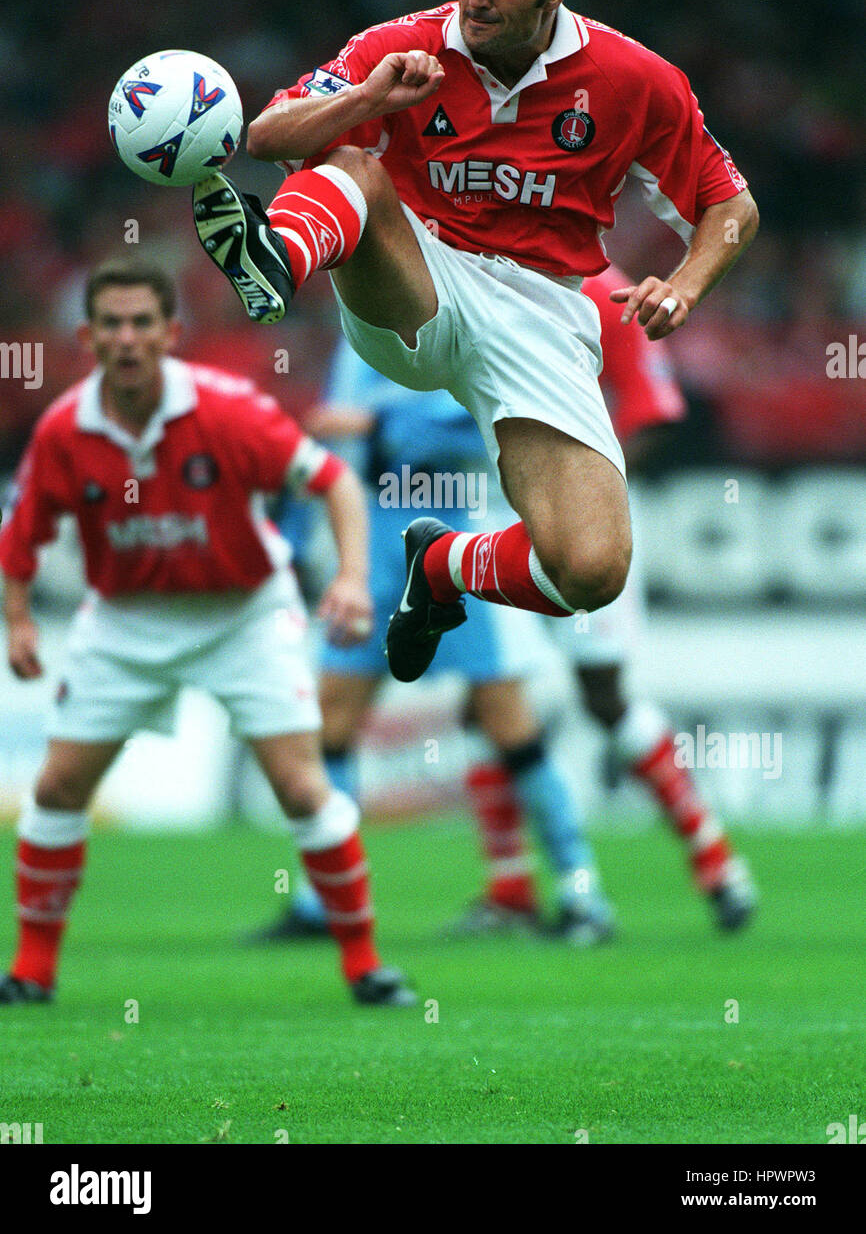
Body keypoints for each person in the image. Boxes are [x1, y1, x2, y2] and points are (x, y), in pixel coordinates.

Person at [190, 0, 758, 690]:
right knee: (350, 160)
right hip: (421, 277)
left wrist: (689, 285)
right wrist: (371, 97)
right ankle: (276, 258)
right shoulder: (404, 45)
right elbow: (265, 133)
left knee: (590, 571)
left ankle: (444, 564)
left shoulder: (636, 80)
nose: (475, 0)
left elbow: (731, 205)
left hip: (543, 312)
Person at [0, 257, 415, 1007]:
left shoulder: (228, 409)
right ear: (88, 336)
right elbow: (21, 535)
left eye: (142, 323)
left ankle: (364, 965)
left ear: (170, 333)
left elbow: (335, 481)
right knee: (59, 786)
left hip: (243, 615)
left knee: (300, 785)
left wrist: (352, 578)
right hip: (126, 621)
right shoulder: (65, 429)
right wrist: (20, 622)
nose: (127, 339)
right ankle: (30, 971)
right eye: (112, 325)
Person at [246, 338, 615, 947]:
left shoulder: (453, 329)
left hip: (451, 543)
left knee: (508, 723)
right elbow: (328, 452)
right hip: (372, 552)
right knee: (331, 723)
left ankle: (583, 892)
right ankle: (323, 900)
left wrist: (376, 424)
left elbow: (479, 426)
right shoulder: (352, 343)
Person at [464, 266, 757, 929]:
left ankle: (715, 862)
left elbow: (655, 413)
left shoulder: (609, 294)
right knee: (486, 692)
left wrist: (578, 488)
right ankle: (511, 891)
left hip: (590, 527)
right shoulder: (480, 269)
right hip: (493, 517)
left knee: (604, 698)